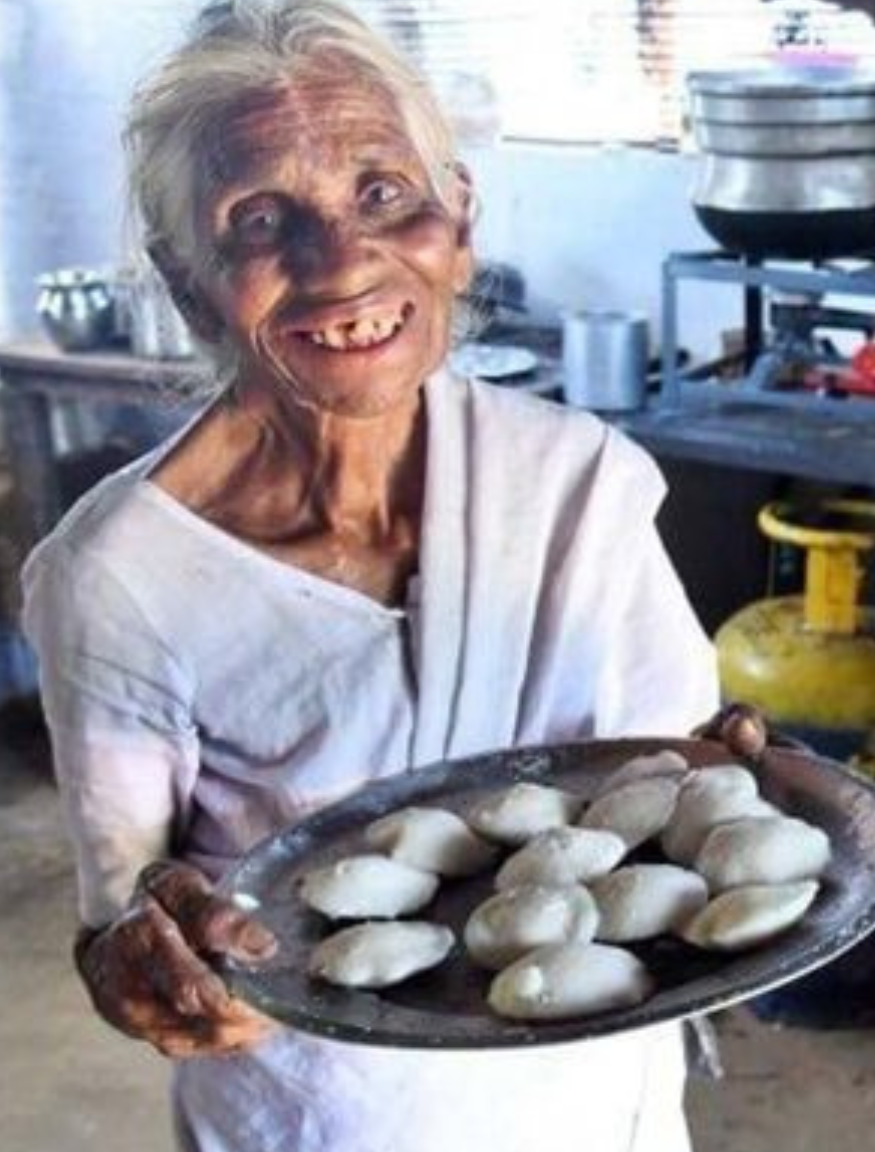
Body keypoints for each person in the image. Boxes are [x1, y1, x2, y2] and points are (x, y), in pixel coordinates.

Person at [23, 3, 758, 1149]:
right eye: (262, 220)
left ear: (455, 221)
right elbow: (119, 911)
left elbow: (680, 770)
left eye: (381, 194)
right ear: (186, 282)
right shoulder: (120, 577)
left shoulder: (573, 481)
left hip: (597, 1097)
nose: (342, 260)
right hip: (334, 1116)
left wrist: (750, 783)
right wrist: (144, 962)